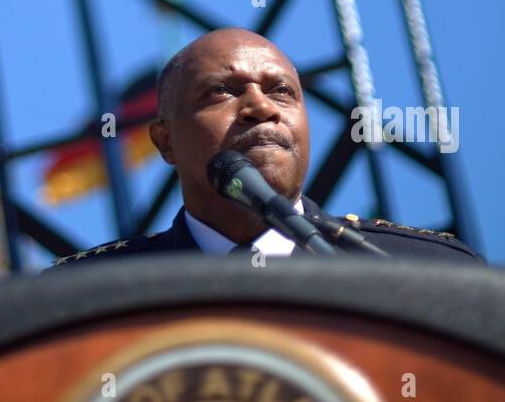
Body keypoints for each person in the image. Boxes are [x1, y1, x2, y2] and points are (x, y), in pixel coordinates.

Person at [50, 28, 483, 267]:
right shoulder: (93, 294)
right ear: (165, 141)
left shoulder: (425, 270)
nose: (260, 107)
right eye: (222, 93)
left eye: (282, 92)